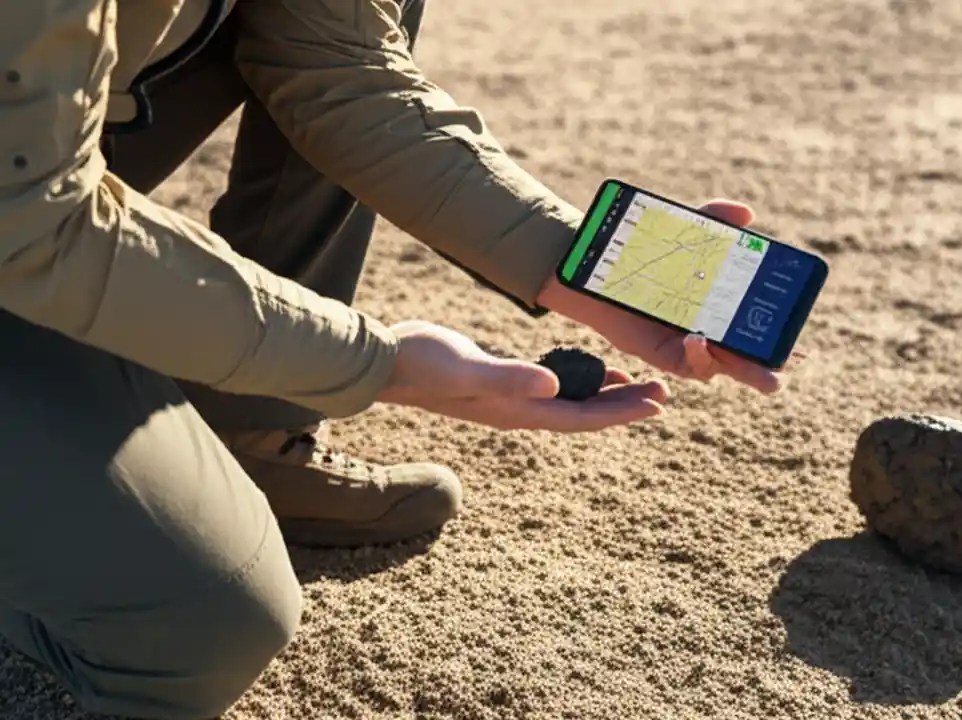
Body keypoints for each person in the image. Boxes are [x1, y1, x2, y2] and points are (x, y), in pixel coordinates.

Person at [0, 1, 784, 718]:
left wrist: (583, 267)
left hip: (27, 182)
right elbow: (34, 226)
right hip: (25, 216)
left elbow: (336, 63)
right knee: (201, 626)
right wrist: (382, 364)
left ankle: (248, 436)